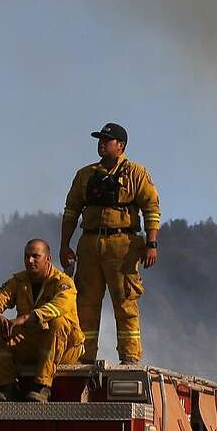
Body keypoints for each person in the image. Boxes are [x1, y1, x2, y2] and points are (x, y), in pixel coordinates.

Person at [59, 122, 160, 364]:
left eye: (107, 140)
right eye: (99, 140)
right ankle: (83, 356)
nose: (101, 143)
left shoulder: (136, 173)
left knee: (125, 301)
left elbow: (151, 208)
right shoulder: (85, 175)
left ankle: (130, 357)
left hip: (123, 245)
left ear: (121, 145)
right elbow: (71, 210)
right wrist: (65, 245)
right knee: (85, 302)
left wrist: (152, 244)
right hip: (90, 243)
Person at [0, 239, 83, 402]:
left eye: (35, 256)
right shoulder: (18, 281)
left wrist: (26, 318)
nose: (30, 260)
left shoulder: (63, 282)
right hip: (32, 345)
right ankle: (5, 386)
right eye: (26, 256)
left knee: (58, 322)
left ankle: (42, 386)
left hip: (64, 349)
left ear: (48, 259)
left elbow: (59, 306)